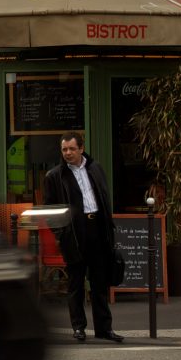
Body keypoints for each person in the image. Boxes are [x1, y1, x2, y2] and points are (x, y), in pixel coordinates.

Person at [44, 132, 122, 343]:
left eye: (71, 149)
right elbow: (50, 211)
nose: (67, 153)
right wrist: (62, 234)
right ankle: (79, 327)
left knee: (100, 282)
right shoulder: (55, 176)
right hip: (74, 233)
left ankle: (104, 329)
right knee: (76, 283)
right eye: (64, 150)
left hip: (97, 227)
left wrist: (108, 227)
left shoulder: (95, 168)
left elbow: (104, 198)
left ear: (80, 148)